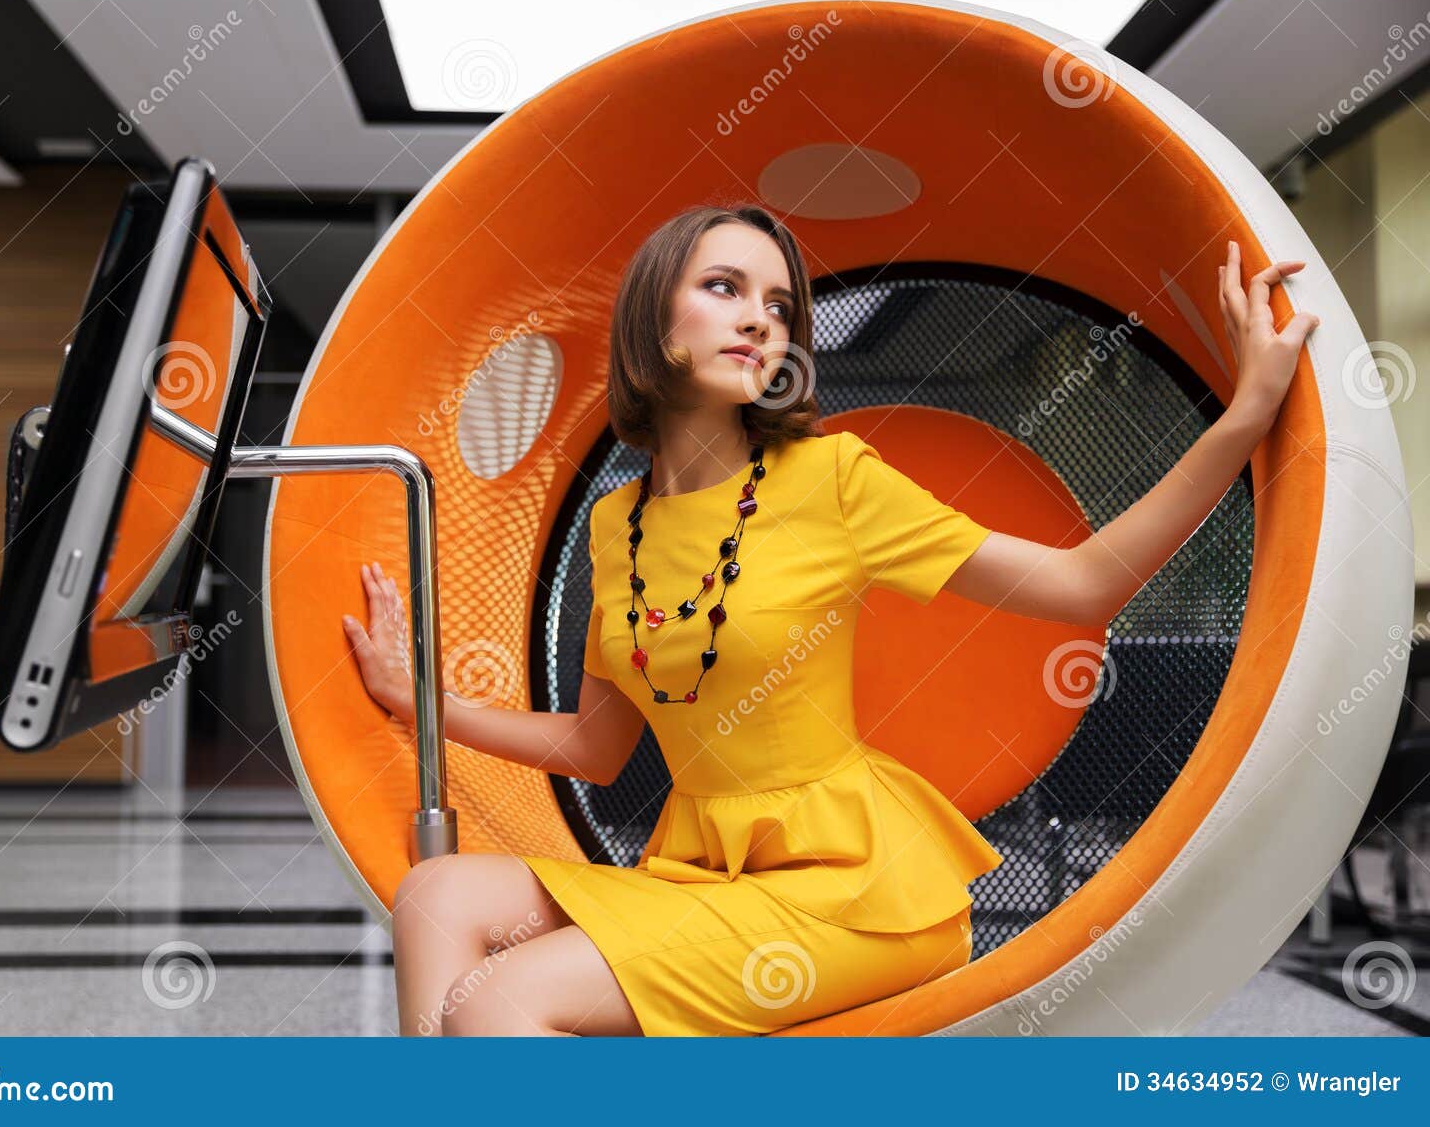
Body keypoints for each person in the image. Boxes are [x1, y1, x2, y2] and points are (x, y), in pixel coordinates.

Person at [342, 205, 1316, 1036]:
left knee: (496, 1001)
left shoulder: (833, 479)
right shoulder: (613, 524)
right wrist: (417, 699)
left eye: (778, 306)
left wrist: (1242, 416)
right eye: (724, 287)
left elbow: (1084, 582)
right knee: (433, 896)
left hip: (854, 891)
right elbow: (595, 746)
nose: (760, 321)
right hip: (703, 877)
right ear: (654, 320)